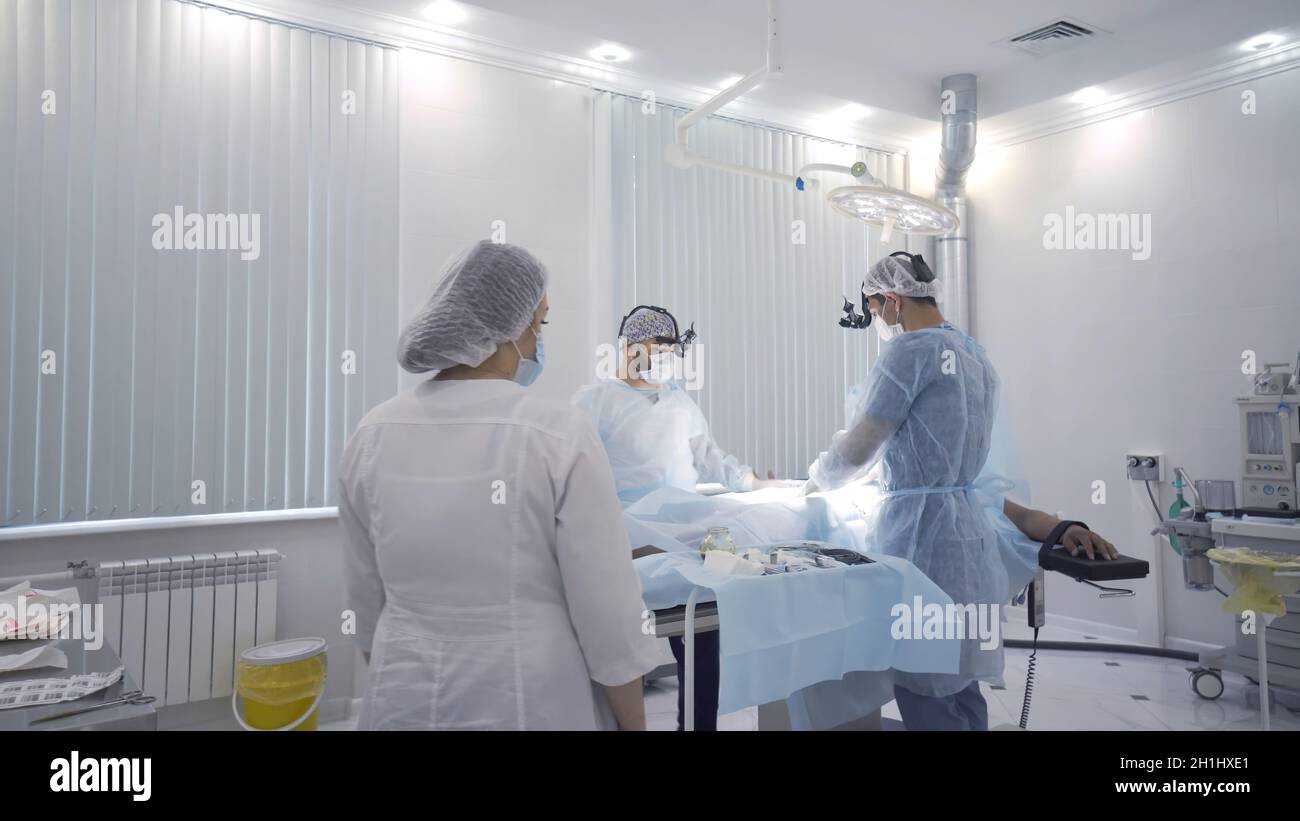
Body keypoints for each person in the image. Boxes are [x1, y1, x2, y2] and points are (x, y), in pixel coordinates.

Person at [338, 241, 661, 730]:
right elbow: (610, 621)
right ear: (510, 328)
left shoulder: (372, 434)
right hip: (530, 699)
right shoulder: (558, 433)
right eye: (541, 323)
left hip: (402, 698)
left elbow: (366, 607)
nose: (538, 342)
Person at [802, 251, 1117, 731]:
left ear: (892, 300)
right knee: (962, 682)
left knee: (924, 679)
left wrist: (816, 480)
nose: (880, 324)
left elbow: (862, 445)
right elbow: (939, 446)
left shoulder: (908, 352)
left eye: (875, 311)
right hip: (970, 546)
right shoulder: (975, 355)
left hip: (922, 544)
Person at [573, 305, 786, 504]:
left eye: (670, 352)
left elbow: (708, 457)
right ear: (631, 348)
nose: (666, 359)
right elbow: (572, 471)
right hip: (628, 526)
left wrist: (752, 483)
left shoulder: (675, 398)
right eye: (659, 351)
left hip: (684, 518)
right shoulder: (594, 402)